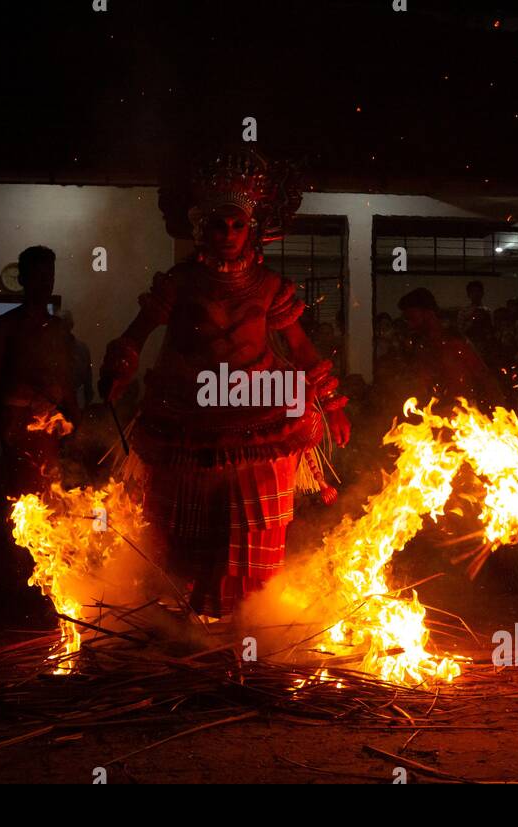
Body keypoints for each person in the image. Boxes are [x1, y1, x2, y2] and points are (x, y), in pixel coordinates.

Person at [99, 149, 349, 618]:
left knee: (251, 534)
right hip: (184, 425)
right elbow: (135, 335)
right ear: (202, 229)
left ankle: (246, 630)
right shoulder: (179, 282)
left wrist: (332, 404)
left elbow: (301, 349)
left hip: (262, 424)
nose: (229, 235)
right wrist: (120, 367)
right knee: (178, 534)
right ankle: (181, 635)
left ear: (252, 229)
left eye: (238, 225)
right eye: (220, 225)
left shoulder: (271, 286)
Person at [0, 246, 78, 504]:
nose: (46, 283)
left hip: (50, 426)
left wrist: (77, 426)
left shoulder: (58, 329)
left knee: (49, 491)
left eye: (50, 276)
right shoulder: (5, 325)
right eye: (38, 276)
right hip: (16, 425)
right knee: (18, 495)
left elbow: (66, 380)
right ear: (22, 279)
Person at [398, 287, 504, 409]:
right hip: (432, 415)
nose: (410, 324)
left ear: (428, 312)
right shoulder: (419, 344)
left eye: (412, 318)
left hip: (464, 414)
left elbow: (483, 374)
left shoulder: (453, 339)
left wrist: (501, 409)